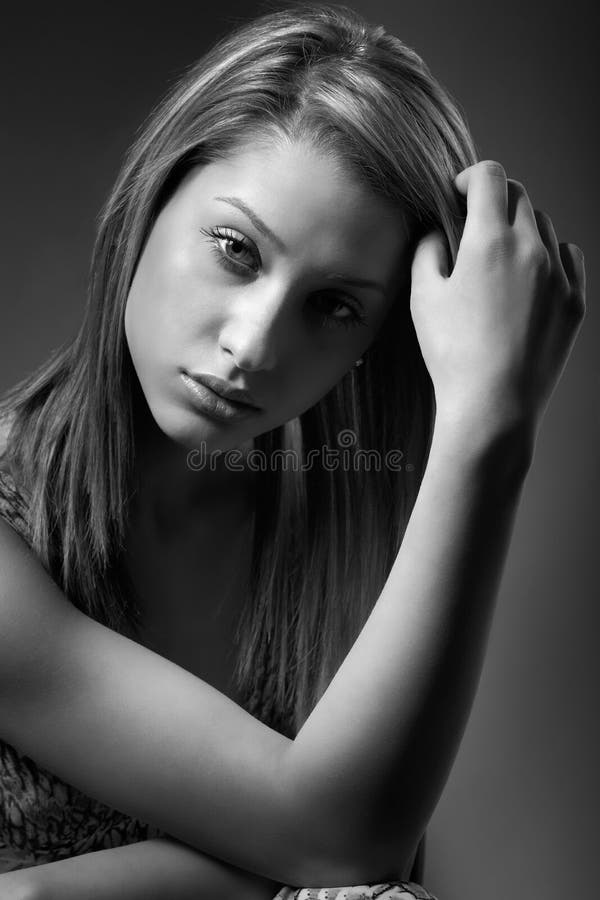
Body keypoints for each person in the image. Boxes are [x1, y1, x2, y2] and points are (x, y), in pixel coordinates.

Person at [0, 1, 585, 897]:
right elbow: (347, 840)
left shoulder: (332, 527)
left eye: (334, 306)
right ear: (150, 202)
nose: (254, 343)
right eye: (236, 249)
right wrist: (490, 429)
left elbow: (369, 852)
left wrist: (485, 414)